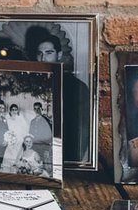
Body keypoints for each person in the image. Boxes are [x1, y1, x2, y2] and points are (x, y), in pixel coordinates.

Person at [24, 25, 90, 164]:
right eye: (39, 53)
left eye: (49, 52)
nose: (43, 58)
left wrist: (69, 163)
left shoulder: (76, 87)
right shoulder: (28, 85)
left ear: (59, 55)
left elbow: (80, 135)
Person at [0, 103, 29, 173]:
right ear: (10, 111)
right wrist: (8, 138)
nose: (14, 111)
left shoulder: (20, 118)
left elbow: (25, 129)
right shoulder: (7, 118)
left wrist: (22, 139)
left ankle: (15, 171)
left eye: (15, 110)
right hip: (10, 141)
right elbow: (5, 129)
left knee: (17, 156)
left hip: (19, 141)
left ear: (17, 111)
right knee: (9, 155)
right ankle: (7, 171)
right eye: (12, 110)